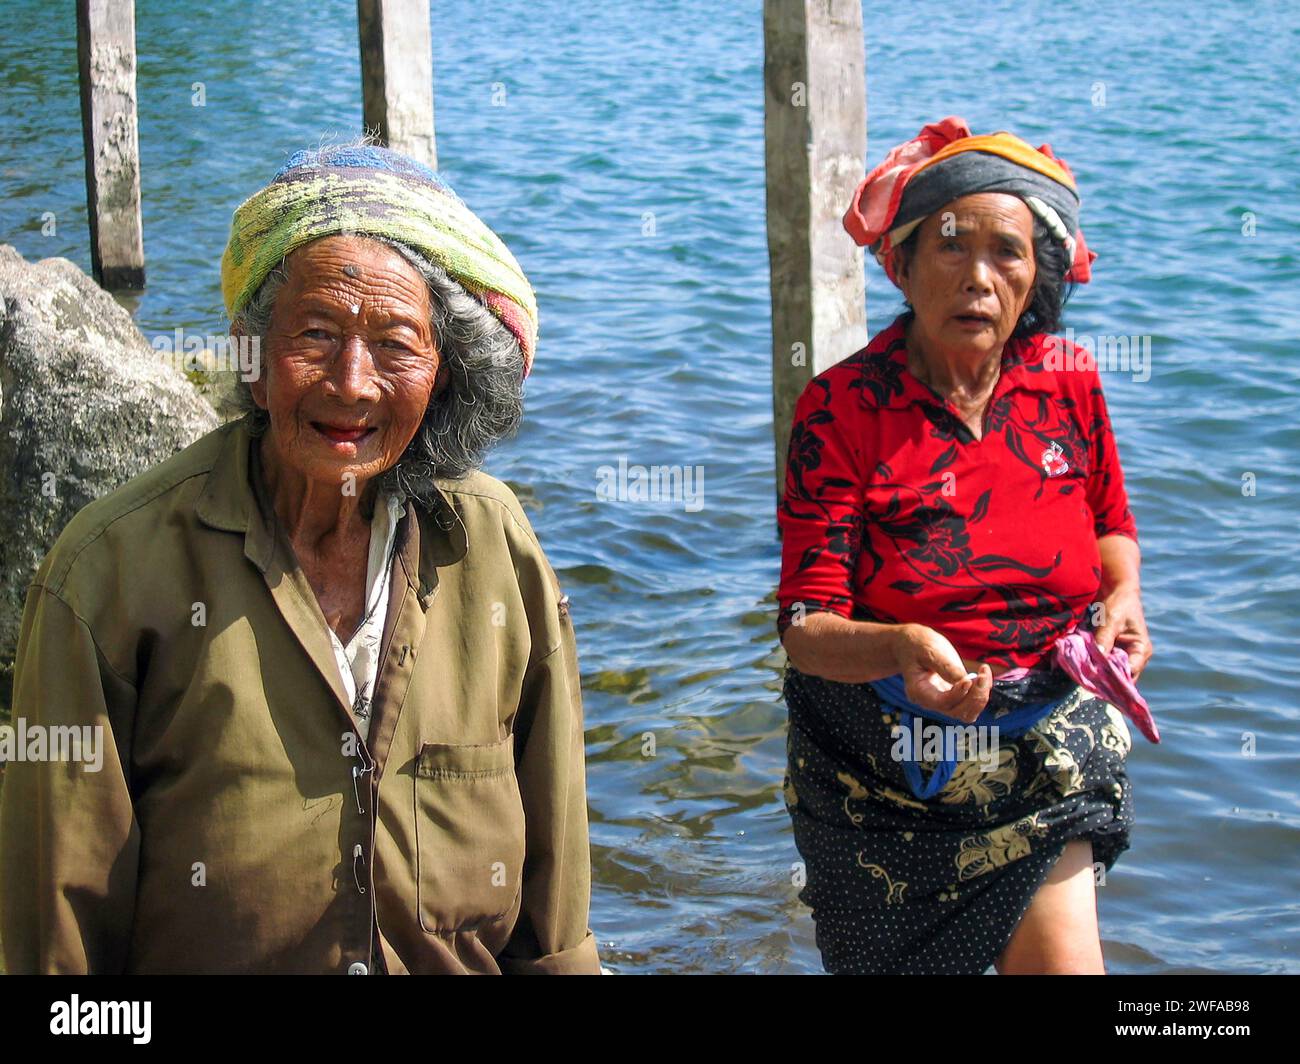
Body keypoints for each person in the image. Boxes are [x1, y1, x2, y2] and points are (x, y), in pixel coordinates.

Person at [0, 142, 600, 974]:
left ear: (445, 374)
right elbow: (57, 946)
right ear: (251, 360)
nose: (351, 383)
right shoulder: (108, 576)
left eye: (395, 344)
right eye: (315, 334)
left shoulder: (495, 549)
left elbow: (556, 916)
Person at [777, 116, 1157, 975]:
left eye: (1007, 254)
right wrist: (904, 645)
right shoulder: (843, 411)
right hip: (882, 763)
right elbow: (807, 626)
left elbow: (1110, 526)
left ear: (1038, 277)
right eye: (951, 247)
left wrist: (1124, 595)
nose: (979, 278)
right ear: (902, 265)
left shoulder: (1068, 382)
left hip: (1042, 742)